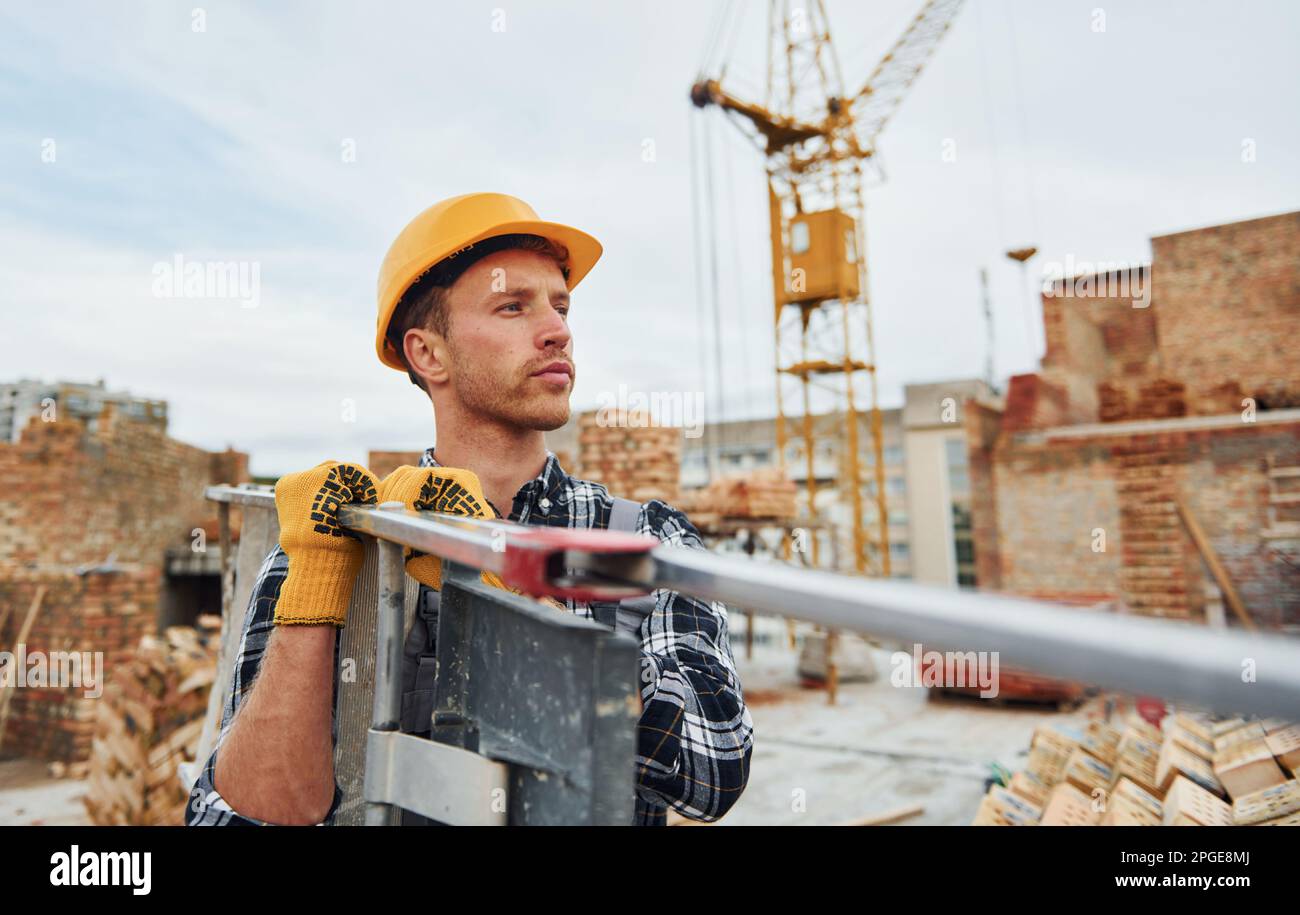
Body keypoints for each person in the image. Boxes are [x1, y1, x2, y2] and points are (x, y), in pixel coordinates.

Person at [185, 192, 754, 826]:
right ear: (429, 354)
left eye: (560, 306)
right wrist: (319, 583)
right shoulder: (340, 539)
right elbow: (235, 817)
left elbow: (715, 769)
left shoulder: (643, 538)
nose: (558, 329)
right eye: (513, 306)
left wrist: (517, 612)